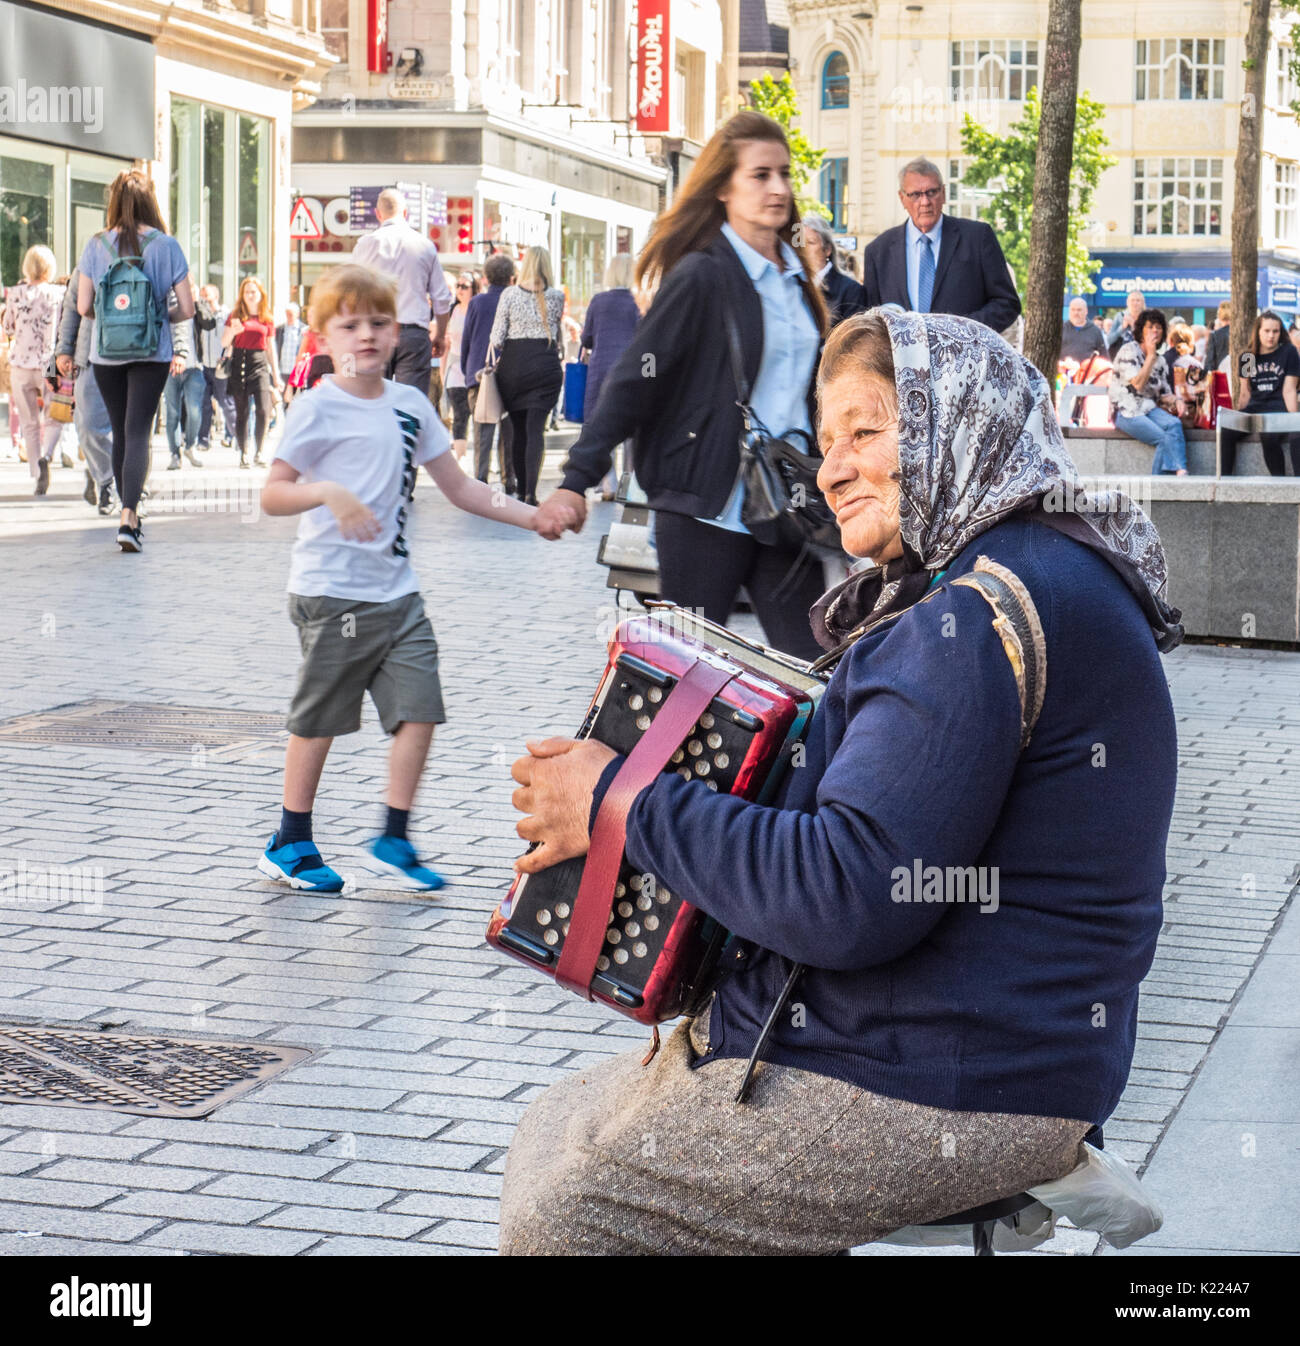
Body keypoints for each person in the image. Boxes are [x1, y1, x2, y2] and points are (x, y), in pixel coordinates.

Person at [499, 309, 1182, 1255]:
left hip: (941, 1079)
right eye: (825, 442)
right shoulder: (1039, 568)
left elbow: (848, 893)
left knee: (571, 1213)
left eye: (867, 431)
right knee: (553, 1129)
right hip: (989, 1051)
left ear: (955, 421)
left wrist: (623, 799)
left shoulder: (972, 615)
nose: (829, 469)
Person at [256, 264, 570, 896]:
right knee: (321, 718)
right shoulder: (317, 406)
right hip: (331, 591)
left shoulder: (410, 406)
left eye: (379, 322)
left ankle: (393, 838)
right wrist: (328, 492)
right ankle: (290, 839)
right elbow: (273, 494)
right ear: (322, 338)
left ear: (398, 332)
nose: (367, 335)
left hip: (397, 594)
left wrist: (531, 515)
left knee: (419, 708)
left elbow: (460, 488)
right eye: (350, 325)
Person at [536, 111, 831, 659]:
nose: (779, 188)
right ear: (722, 186)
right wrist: (577, 479)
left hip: (787, 505)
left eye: (784, 174)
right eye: (760, 175)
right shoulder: (703, 275)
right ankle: (635, 750)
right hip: (705, 505)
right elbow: (634, 381)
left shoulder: (795, 277)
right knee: (683, 675)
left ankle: (809, 750)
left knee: (814, 666)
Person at [76, 169, 192, 551]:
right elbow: (187, 309)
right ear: (150, 201)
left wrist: (114, 321)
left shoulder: (95, 245)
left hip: (106, 355)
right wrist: (158, 317)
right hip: (151, 353)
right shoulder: (166, 245)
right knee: (139, 429)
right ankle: (129, 517)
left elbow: (84, 307)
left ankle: (127, 515)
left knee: (120, 432)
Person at [861, 158, 1020, 332]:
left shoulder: (977, 238)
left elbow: (1007, 303)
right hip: (901, 358)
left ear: (943, 193)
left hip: (963, 355)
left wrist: (961, 331)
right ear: (902, 198)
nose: (925, 202)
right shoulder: (878, 252)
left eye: (931, 192)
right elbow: (871, 321)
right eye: (915, 194)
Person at [351, 187, 452, 392]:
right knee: (410, 404)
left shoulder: (365, 244)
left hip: (375, 331)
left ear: (378, 214)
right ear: (406, 213)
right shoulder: (424, 246)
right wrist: (440, 334)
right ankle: (406, 425)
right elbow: (441, 298)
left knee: (372, 398)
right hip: (413, 334)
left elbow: (351, 292)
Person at [488, 245, 565, 505]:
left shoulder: (509, 294)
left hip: (514, 367)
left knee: (518, 431)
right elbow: (556, 332)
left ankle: (521, 491)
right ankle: (532, 492)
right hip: (544, 364)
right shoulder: (556, 296)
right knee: (536, 431)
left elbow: (497, 338)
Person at [2, 245, 64, 495]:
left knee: (28, 421)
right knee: (53, 415)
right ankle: (46, 457)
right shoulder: (58, 293)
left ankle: (37, 474)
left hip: (20, 362)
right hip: (48, 361)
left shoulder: (14, 293)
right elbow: (62, 328)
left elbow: (7, 328)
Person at [578, 255, 641, 499]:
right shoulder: (639, 302)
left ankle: (609, 484)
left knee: (603, 425)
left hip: (601, 369)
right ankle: (631, 482)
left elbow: (587, 339)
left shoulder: (598, 300)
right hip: (632, 369)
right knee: (633, 431)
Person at [55, 270, 116, 514]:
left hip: (138, 354)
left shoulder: (149, 248)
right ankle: (105, 476)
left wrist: (180, 350)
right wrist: (61, 355)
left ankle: (126, 487)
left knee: (132, 430)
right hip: (89, 355)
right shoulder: (92, 254)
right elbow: (65, 314)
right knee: (88, 425)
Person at [1219, 309, 1300, 477]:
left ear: (1280, 332)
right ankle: (1225, 481)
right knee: (1226, 431)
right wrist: (1238, 417)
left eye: (1275, 331)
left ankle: (1280, 483)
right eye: (1267, 331)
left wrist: (1294, 420)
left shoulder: (1289, 352)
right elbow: (1245, 393)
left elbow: (1289, 390)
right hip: (1255, 409)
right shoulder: (1248, 357)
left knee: (1268, 436)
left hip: (1279, 410)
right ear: (1258, 332)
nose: (1271, 335)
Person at [460, 251, 516, 492]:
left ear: (486, 277)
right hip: (509, 372)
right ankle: (509, 478)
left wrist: (467, 369)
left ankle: (481, 478)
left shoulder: (477, 302)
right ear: (511, 277)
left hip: (479, 373)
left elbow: (467, 339)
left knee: (482, 428)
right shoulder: (514, 300)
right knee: (508, 430)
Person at [1109, 308, 1188, 475]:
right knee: (1163, 438)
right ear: (1141, 331)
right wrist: (1150, 357)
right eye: (1150, 327)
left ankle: (1181, 471)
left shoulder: (1161, 361)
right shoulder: (1129, 350)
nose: (1155, 331)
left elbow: (1164, 393)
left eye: (1158, 327)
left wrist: (1177, 401)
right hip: (1126, 411)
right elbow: (1137, 384)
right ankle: (1158, 484)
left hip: (1148, 409)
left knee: (1174, 424)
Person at [222, 276, 282, 468]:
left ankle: (260, 451)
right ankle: (244, 452)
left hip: (260, 363)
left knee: (264, 410)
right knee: (242, 412)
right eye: (246, 291)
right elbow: (224, 343)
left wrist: (277, 374)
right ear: (242, 295)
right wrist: (233, 331)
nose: (250, 295)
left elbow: (271, 348)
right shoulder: (235, 315)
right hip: (240, 362)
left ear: (260, 294)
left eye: (253, 291)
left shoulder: (267, 317)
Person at [163, 273, 210, 470]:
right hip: (170, 368)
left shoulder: (196, 309)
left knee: (194, 410)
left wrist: (197, 302)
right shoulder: (167, 304)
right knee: (172, 412)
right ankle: (175, 454)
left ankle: (190, 445)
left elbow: (210, 323)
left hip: (194, 368)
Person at [800, 214, 863, 325]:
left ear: (827, 249)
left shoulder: (851, 290)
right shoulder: (793, 284)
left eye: (810, 242)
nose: (803, 249)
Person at [444, 271, 476, 463]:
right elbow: (447, 343)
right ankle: (460, 458)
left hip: (473, 367)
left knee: (475, 414)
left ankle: (473, 458)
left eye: (465, 286)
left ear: (474, 288)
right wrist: (443, 370)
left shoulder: (476, 308)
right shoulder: (452, 310)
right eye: (458, 286)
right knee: (459, 413)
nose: (460, 290)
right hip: (455, 367)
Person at [1060, 297, 1107, 363]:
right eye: (1073, 310)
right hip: (1063, 371)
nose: (1076, 313)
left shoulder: (1095, 331)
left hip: (1088, 371)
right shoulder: (1061, 329)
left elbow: (1104, 357)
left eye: (1079, 310)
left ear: (1086, 311)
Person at [1107, 290, 1146, 358]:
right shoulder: (1120, 316)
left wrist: (1133, 324)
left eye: (1138, 300)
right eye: (1132, 300)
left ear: (1142, 303)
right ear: (1127, 302)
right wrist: (1122, 327)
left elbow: (1147, 339)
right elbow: (1109, 340)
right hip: (1122, 358)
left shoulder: (1147, 317)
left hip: (1142, 356)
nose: (1135, 303)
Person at [276, 303, 307, 384]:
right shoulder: (280, 329)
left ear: (297, 314)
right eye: (287, 314)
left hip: (297, 372)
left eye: (291, 314)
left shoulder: (304, 330)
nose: (288, 316)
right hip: (282, 372)